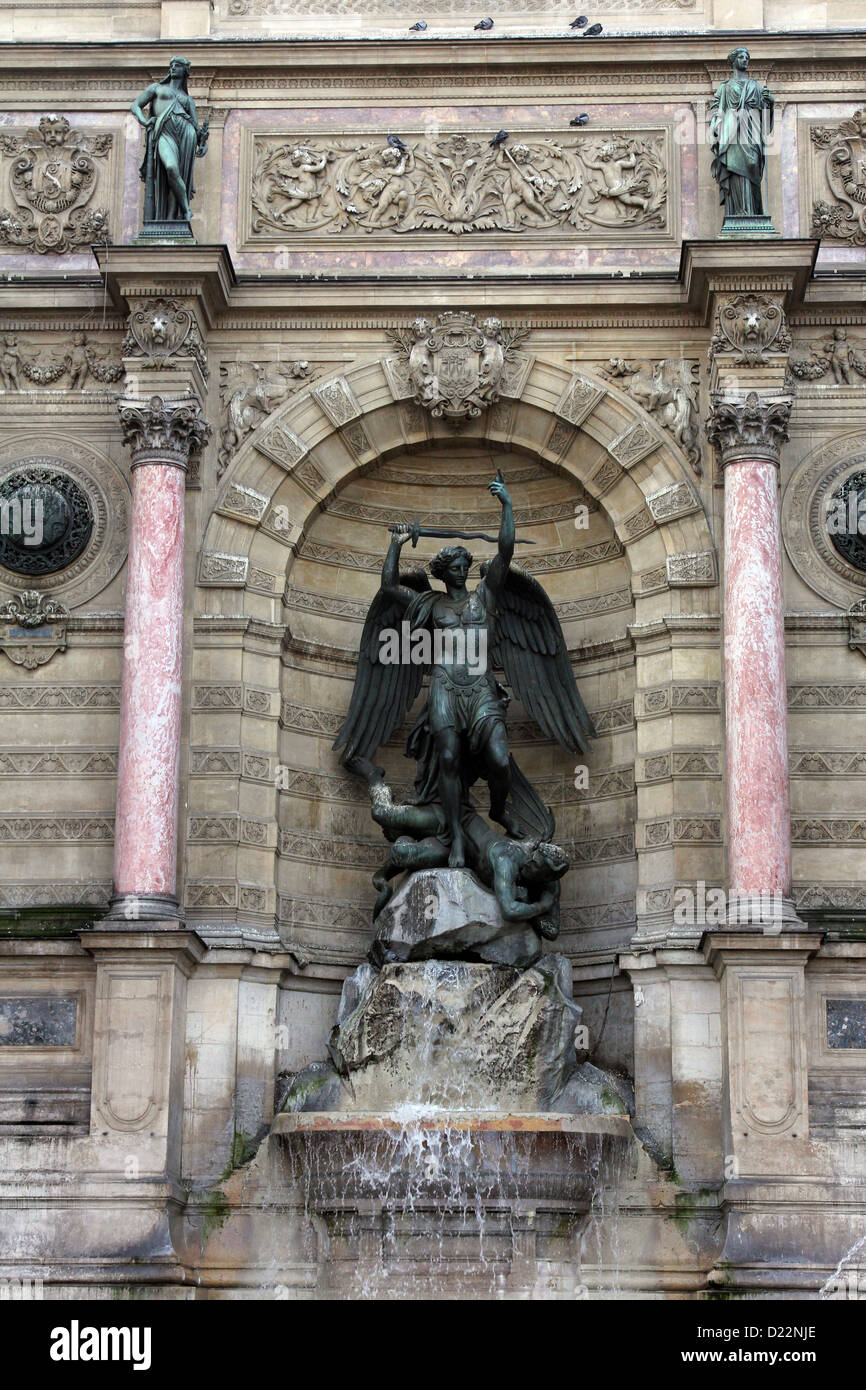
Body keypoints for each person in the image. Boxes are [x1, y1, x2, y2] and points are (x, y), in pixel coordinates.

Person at [131, 55, 208, 223]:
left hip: (186, 134)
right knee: (171, 168)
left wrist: (202, 141)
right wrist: (144, 121)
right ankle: (186, 210)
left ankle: (174, 216)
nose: (173, 68)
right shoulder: (157, 88)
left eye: (178, 65)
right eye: (172, 65)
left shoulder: (188, 100)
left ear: (185, 71)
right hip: (164, 133)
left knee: (178, 172)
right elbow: (135, 105)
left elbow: (195, 124)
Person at [709, 47, 774, 219]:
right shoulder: (725, 88)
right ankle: (739, 212)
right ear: (734, 60)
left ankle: (751, 211)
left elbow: (764, 117)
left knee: (752, 165)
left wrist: (769, 104)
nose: (745, 60)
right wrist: (717, 126)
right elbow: (716, 109)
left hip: (751, 131)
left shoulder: (755, 86)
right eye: (741, 57)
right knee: (735, 171)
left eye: (747, 57)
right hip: (732, 133)